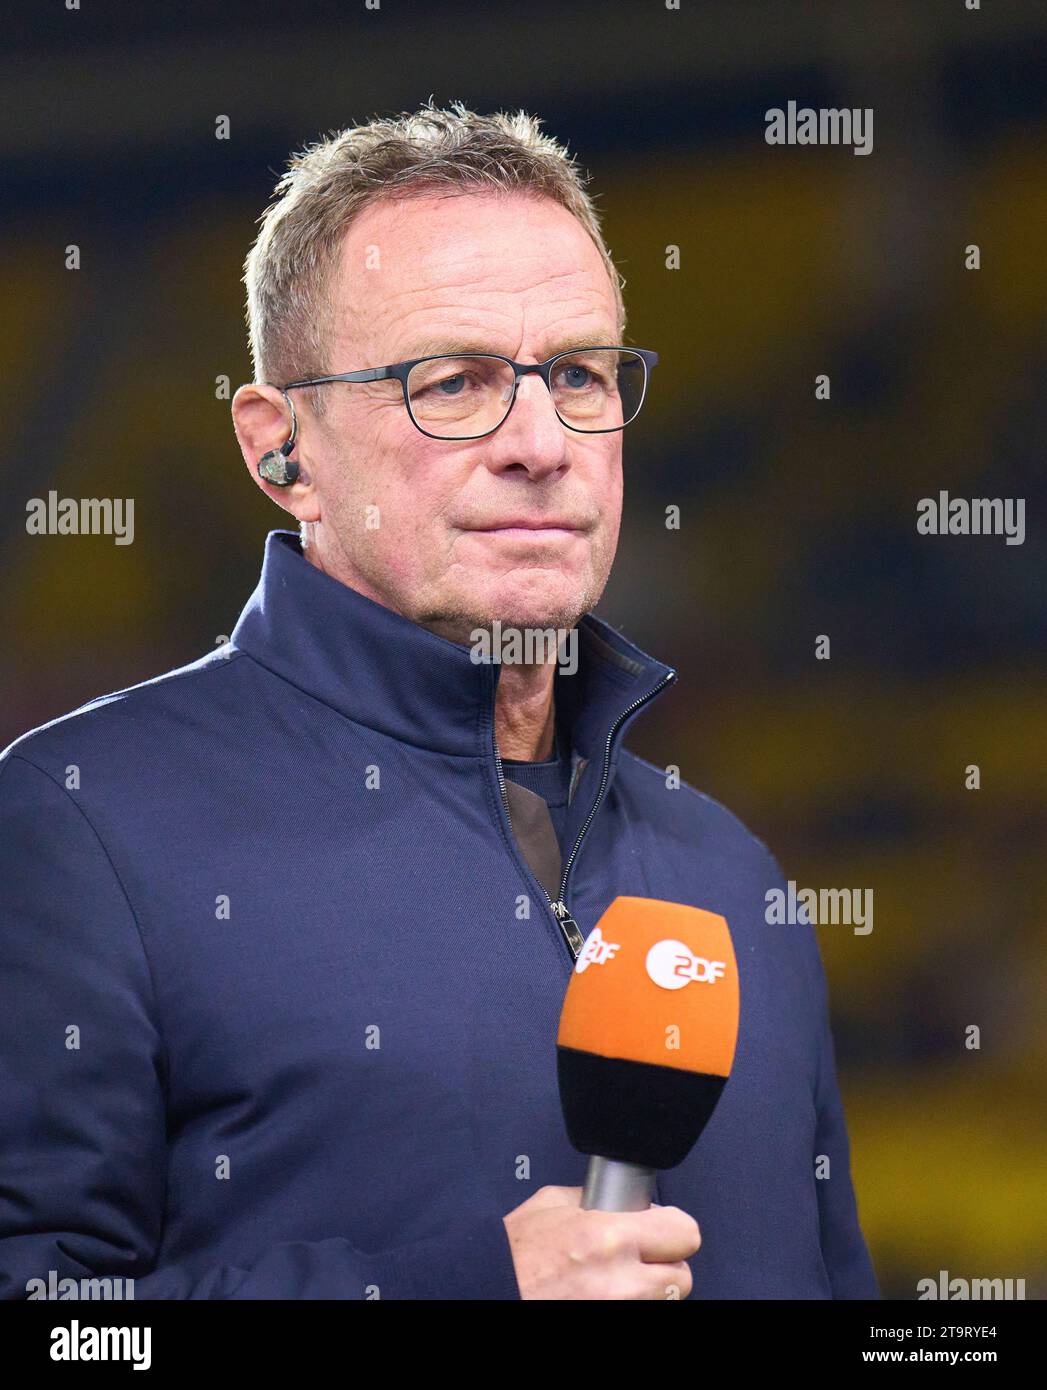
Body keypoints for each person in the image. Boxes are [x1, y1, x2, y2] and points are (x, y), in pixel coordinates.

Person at [0, 100, 878, 1300]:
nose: (541, 441)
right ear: (280, 450)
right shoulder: (77, 825)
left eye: (578, 372)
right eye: (454, 382)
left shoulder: (730, 875)